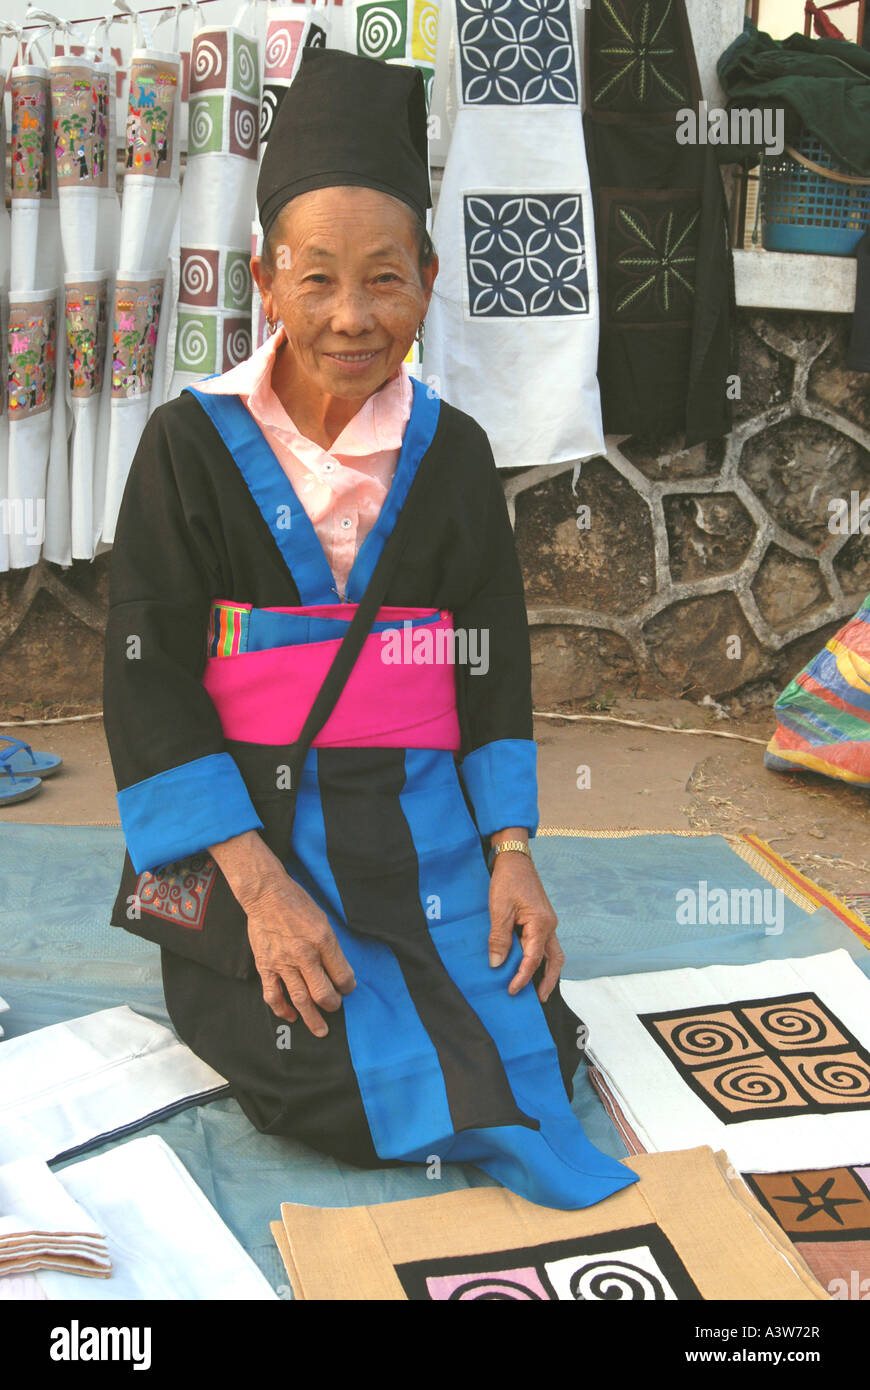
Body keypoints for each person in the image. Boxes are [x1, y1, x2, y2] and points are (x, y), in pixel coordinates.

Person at [103, 48, 636, 1211]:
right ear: (265, 277)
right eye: (320, 280)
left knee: (528, 1032)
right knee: (318, 1073)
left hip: (418, 824)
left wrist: (512, 854)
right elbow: (146, 678)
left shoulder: (452, 457)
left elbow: (489, 670)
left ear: (429, 282)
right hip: (255, 824)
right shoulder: (188, 451)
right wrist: (259, 888)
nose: (353, 318)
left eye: (385, 281)